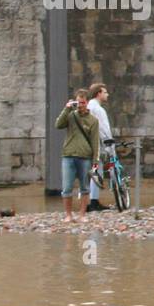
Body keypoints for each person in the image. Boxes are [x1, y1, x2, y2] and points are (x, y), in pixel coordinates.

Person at [55, 89, 100, 223]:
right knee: (67, 188)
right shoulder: (70, 115)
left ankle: (82, 215)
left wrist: (95, 160)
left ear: (87, 103)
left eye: (83, 102)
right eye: (78, 102)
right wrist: (66, 109)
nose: (80, 105)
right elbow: (58, 125)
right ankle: (68, 215)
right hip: (68, 155)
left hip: (85, 157)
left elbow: (95, 141)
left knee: (85, 187)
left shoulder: (93, 120)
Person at [85, 82, 113, 212]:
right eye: (105, 92)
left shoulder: (88, 107)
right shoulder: (98, 109)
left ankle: (91, 200)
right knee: (97, 171)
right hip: (98, 145)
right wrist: (109, 144)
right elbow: (103, 128)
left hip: (88, 143)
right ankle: (93, 201)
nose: (107, 94)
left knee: (92, 171)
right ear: (99, 93)